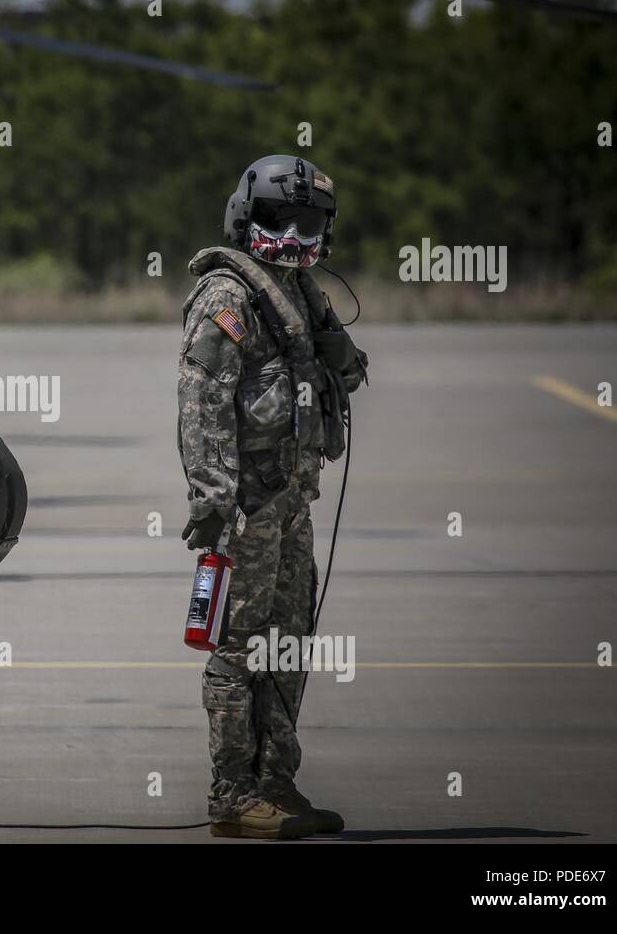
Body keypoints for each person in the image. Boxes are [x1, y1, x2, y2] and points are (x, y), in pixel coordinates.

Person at [177, 154, 367, 839]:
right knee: (238, 648)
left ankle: (275, 784)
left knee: (287, 646)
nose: (294, 234)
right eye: (279, 218)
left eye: (308, 221)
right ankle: (232, 793)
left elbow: (342, 368)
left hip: (292, 504)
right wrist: (212, 501)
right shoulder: (229, 296)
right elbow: (202, 404)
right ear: (245, 216)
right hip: (247, 509)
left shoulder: (298, 292)